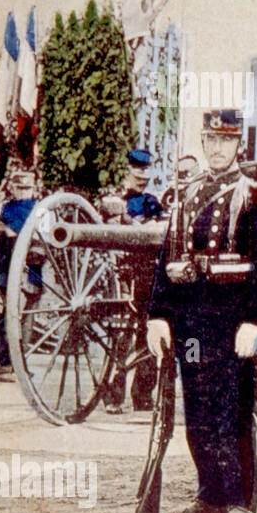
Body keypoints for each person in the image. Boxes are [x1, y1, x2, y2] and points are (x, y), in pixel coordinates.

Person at [146, 110, 257, 513]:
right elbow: (168, 258)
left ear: (239, 143)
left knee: (233, 409)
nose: (218, 148)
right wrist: (157, 315)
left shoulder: (256, 194)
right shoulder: (187, 193)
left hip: (231, 318)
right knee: (198, 407)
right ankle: (210, 494)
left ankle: (240, 499)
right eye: (211, 140)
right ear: (203, 143)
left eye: (227, 140)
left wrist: (255, 321)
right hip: (190, 318)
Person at [103, 149, 164, 414]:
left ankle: (142, 394)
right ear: (128, 169)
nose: (143, 176)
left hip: (144, 271)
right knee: (118, 337)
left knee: (145, 333)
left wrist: (129, 221)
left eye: (146, 171)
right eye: (138, 171)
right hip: (113, 271)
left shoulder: (151, 202)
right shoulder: (109, 198)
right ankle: (112, 395)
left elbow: (156, 232)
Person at [0, 171, 38, 376]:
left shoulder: (37, 209)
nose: (22, 192)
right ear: (13, 188)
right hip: (10, 269)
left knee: (25, 318)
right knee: (10, 315)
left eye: (26, 188)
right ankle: (5, 362)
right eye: (19, 188)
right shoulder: (8, 208)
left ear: (33, 188)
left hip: (30, 272)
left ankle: (18, 363)